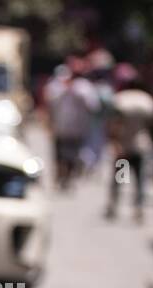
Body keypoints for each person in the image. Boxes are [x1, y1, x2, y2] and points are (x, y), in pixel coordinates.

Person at [105, 64, 153, 223]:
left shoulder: (121, 99)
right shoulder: (147, 100)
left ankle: (114, 205)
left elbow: (114, 124)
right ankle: (139, 208)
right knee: (140, 180)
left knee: (121, 179)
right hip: (141, 146)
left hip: (124, 147)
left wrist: (114, 142)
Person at [45, 58, 100, 191]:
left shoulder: (84, 88)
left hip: (76, 128)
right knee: (60, 155)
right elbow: (51, 103)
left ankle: (67, 178)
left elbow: (92, 106)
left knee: (71, 155)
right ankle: (61, 177)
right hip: (62, 127)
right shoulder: (59, 86)